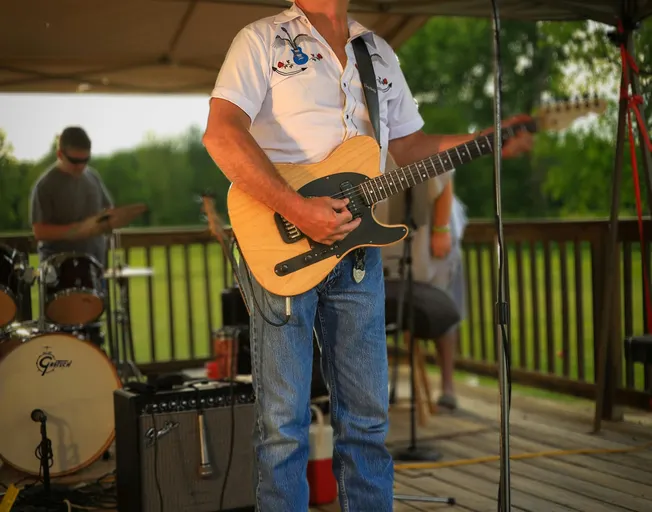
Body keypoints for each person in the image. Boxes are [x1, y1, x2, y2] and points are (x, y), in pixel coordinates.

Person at [202, 1, 533, 510]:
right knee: (283, 425)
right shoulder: (261, 39)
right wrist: (298, 208)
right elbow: (221, 134)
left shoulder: (374, 50)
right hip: (282, 239)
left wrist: (486, 139)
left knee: (367, 421)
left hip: (358, 252)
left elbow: (410, 146)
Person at [29, 126, 113, 344]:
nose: (81, 166)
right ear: (60, 154)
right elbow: (39, 231)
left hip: (94, 268)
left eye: (85, 160)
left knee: (93, 337)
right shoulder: (46, 185)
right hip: (59, 273)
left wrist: (108, 220)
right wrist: (76, 230)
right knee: (63, 339)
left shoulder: (92, 177)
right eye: (75, 161)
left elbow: (108, 213)